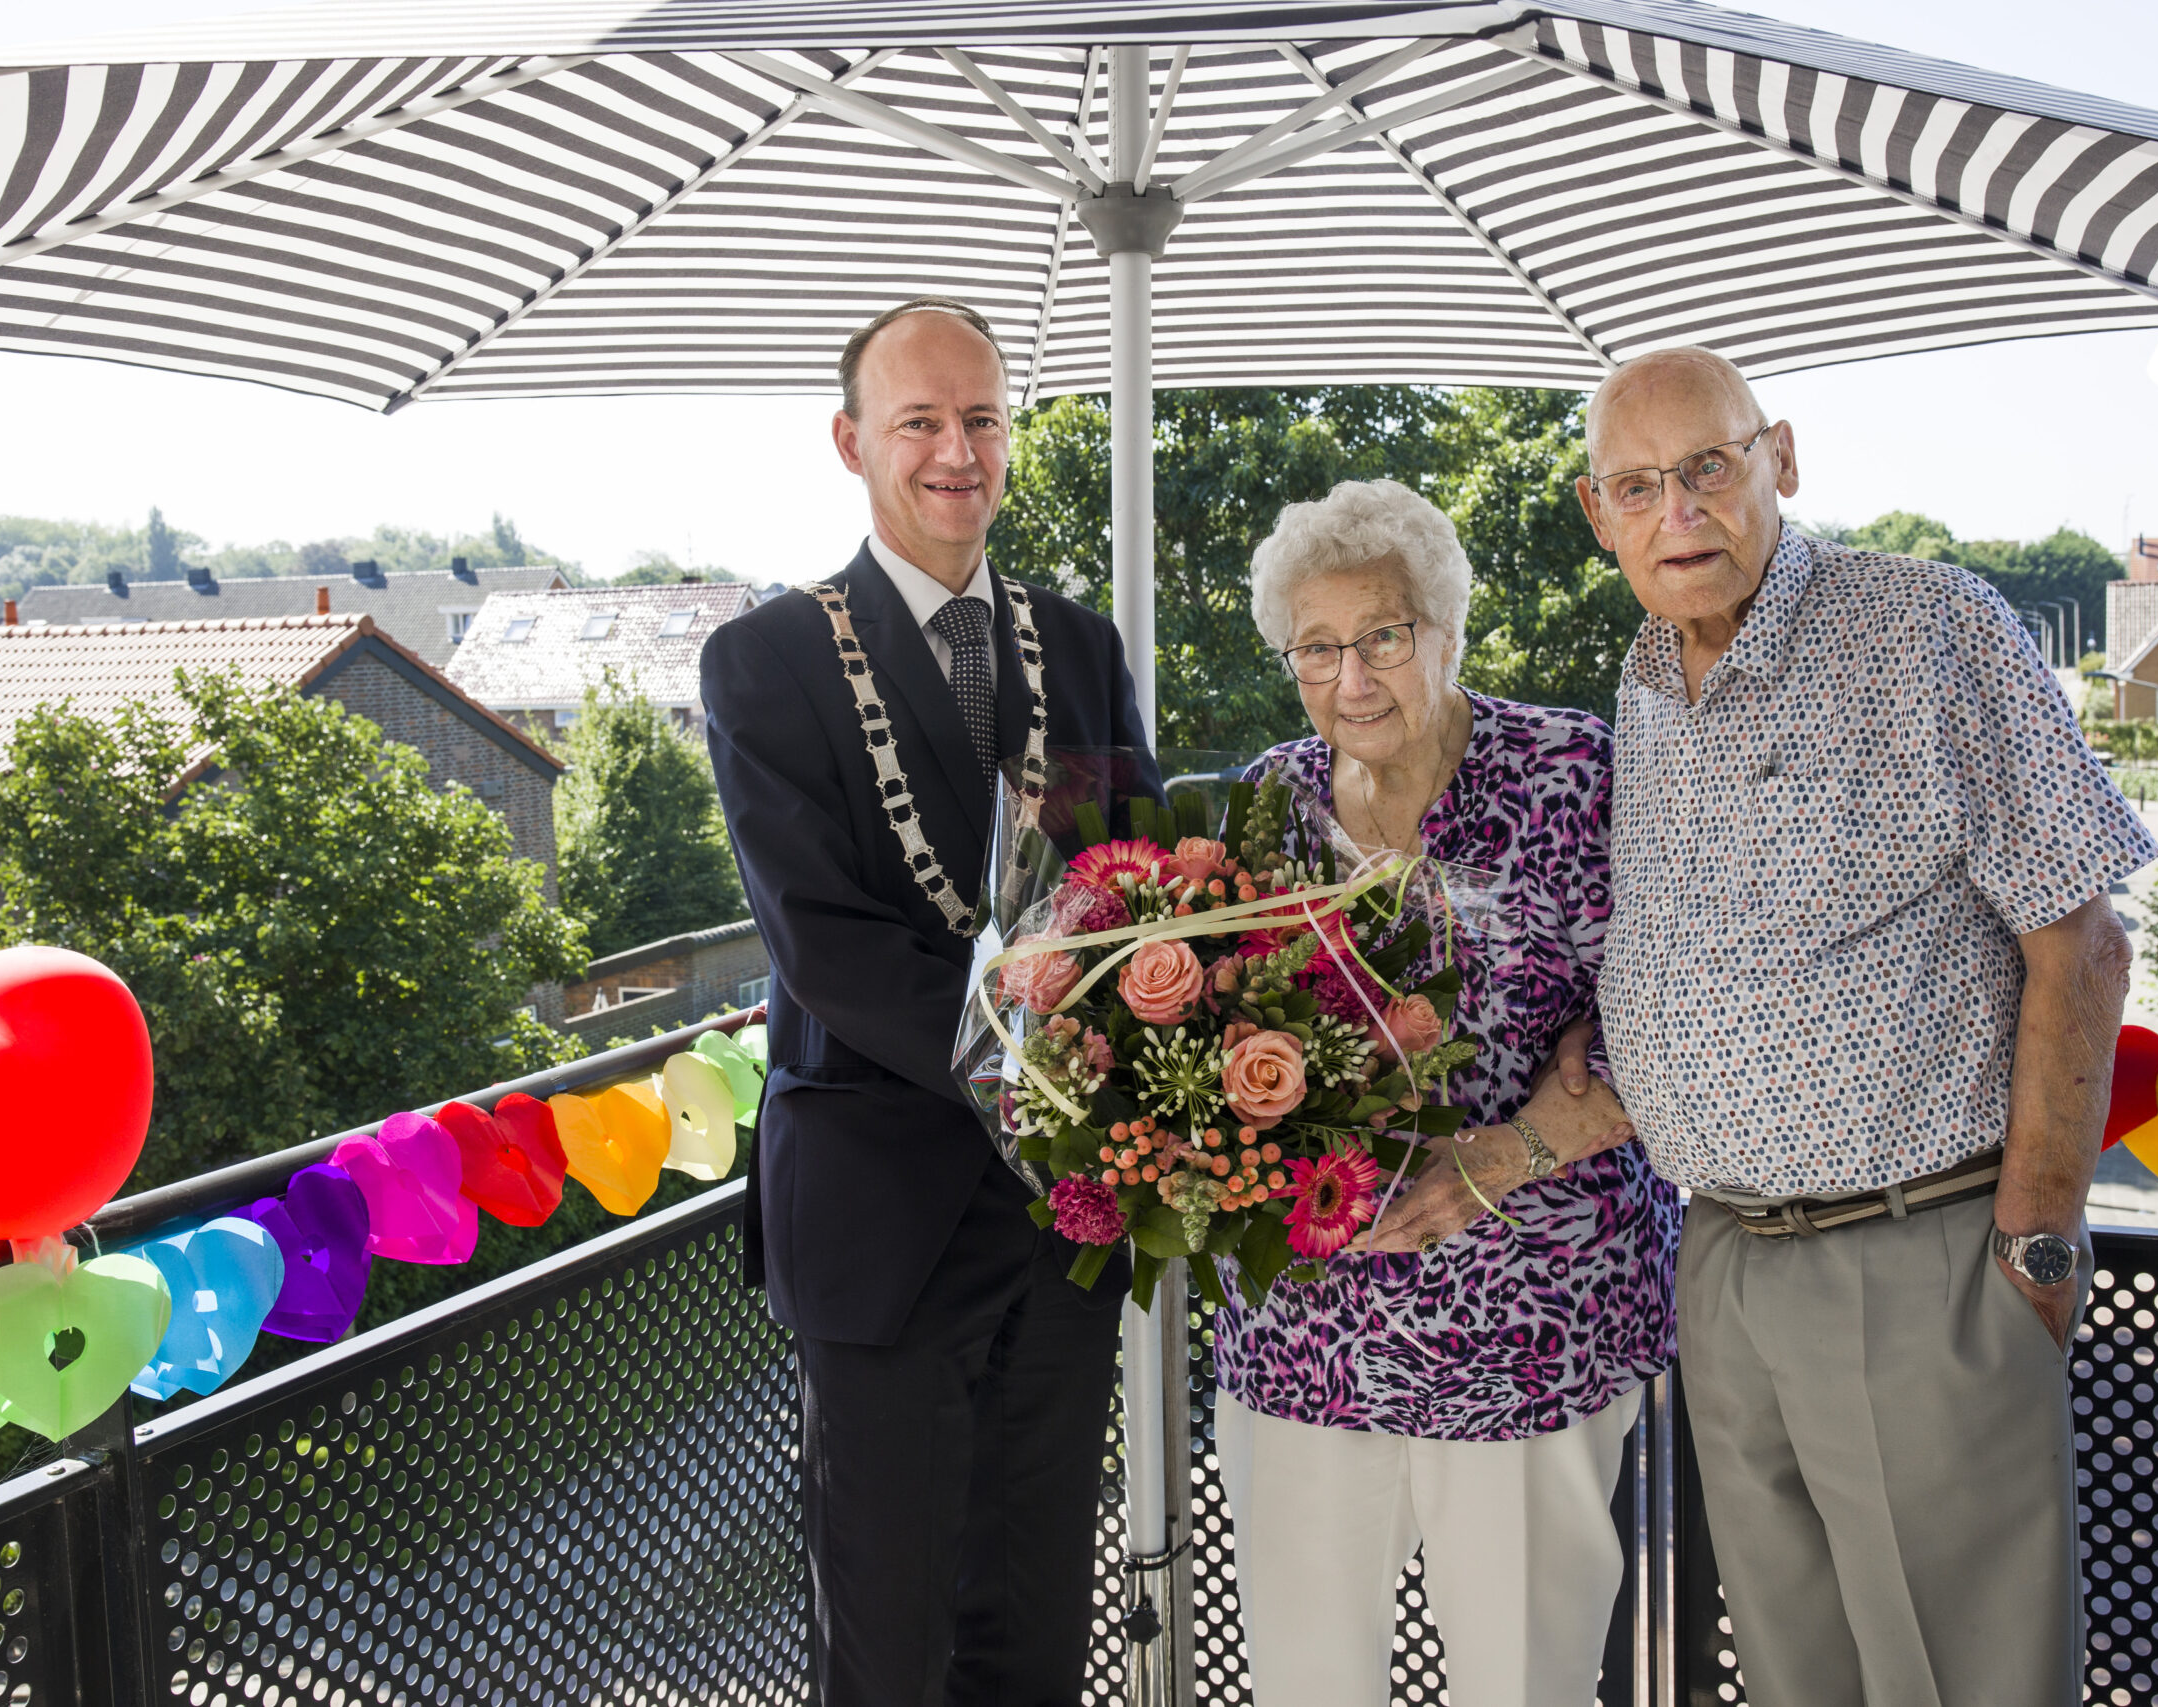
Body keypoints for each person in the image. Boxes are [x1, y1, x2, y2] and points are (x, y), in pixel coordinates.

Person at [1577, 347, 2153, 1704]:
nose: (1680, 511)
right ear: (1598, 515)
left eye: (1708, 466)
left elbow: (2083, 939)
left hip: (1919, 1260)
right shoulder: (1649, 674)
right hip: (1722, 1258)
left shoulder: (1927, 626)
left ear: (1781, 456)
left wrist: (2039, 1239)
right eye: (1638, 486)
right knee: (1795, 1679)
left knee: (1963, 1681)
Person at [699, 297, 1148, 1707]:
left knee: (1038, 1619)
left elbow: (1130, 879)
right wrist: (1045, 1067)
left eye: (983, 418)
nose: (957, 450)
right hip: (880, 1220)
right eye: (919, 421)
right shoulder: (764, 660)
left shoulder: (1078, 644)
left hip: (1063, 1218)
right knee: (887, 1638)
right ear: (852, 441)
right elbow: (823, 942)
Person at [1211, 478, 1678, 1707]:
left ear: (1444, 633)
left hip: (1532, 1321)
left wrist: (1508, 1151)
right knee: (1308, 1682)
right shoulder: (1268, 804)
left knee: (1525, 1681)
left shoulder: (1574, 772)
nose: (1351, 678)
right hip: (1306, 1333)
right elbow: (1216, 1028)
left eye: (1381, 637)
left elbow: (1682, 1005)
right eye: (1317, 647)